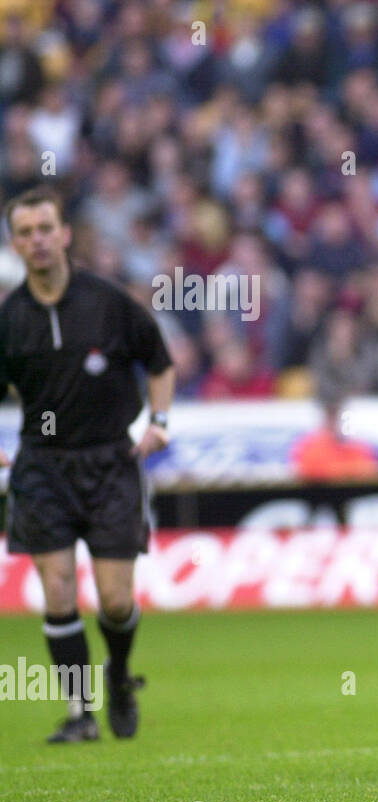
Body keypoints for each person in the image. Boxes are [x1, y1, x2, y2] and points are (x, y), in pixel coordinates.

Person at [0, 185, 174, 743]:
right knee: (57, 591)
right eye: (25, 232)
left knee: (117, 600)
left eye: (45, 228)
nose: (37, 240)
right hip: (42, 467)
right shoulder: (10, 318)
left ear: (65, 234)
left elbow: (160, 360)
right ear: (15, 243)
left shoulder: (109, 302)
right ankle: (81, 715)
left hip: (110, 461)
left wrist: (159, 422)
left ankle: (119, 675)